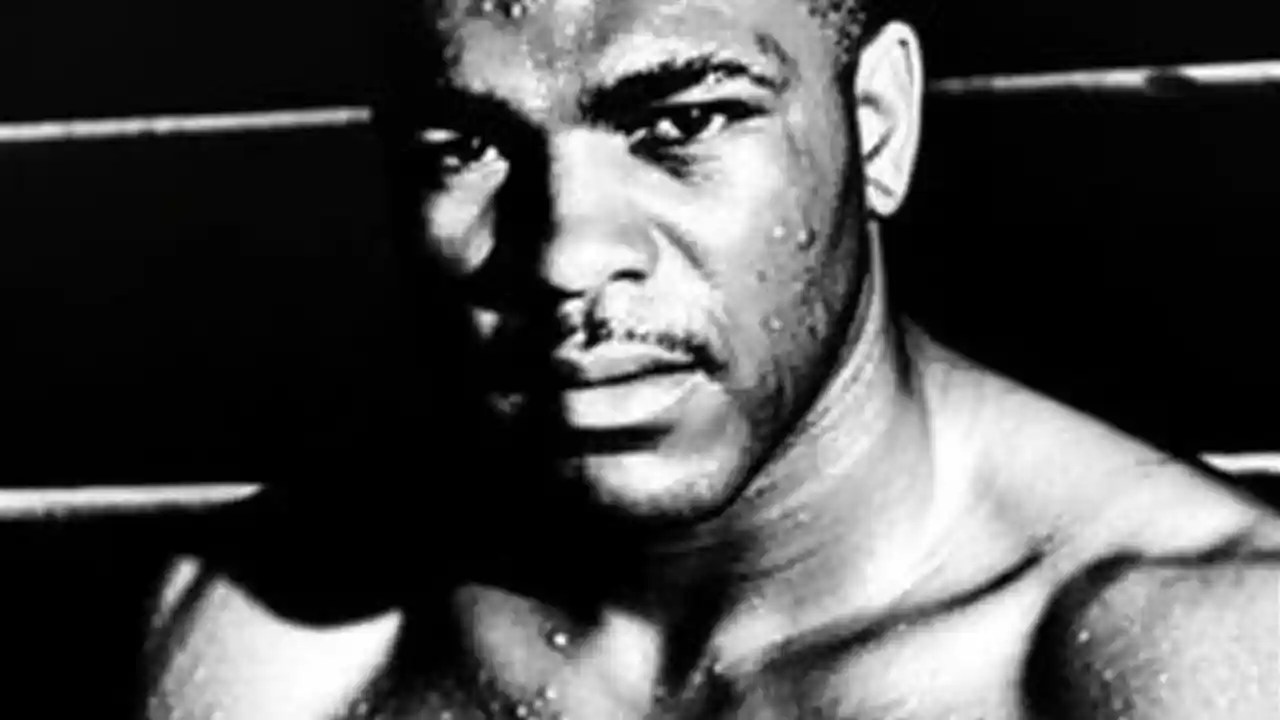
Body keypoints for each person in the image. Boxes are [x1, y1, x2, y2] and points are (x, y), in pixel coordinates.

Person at [141, 0, 1280, 718]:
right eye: (464, 145)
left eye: (678, 124)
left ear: (875, 125)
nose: (566, 253)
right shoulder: (276, 630)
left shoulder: (1202, 657)